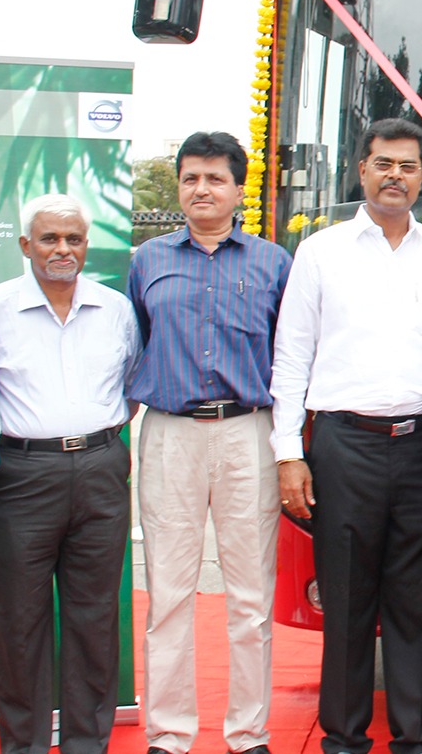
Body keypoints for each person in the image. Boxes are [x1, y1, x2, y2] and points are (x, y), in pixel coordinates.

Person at [272, 120, 422, 754]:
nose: (395, 176)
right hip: (342, 447)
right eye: (383, 163)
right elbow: (291, 359)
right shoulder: (320, 253)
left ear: (421, 175)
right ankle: (344, 741)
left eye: (408, 166)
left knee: (417, 609)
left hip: (421, 448)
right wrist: (288, 454)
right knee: (348, 609)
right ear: (361, 170)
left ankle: (415, 740)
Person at [129, 131, 292, 754]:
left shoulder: (273, 263)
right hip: (169, 433)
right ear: (179, 186)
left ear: (239, 189)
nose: (202, 189)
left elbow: (289, 355)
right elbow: (135, 343)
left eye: (215, 178)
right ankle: (168, 735)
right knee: (168, 591)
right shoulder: (148, 260)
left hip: (247, 432)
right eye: (191, 177)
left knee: (250, 593)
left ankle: (248, 732)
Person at [0, 194, 141, 754]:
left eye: (73, 239)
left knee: (94, 619)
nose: (62, 250)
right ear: (26, 246)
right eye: (49, 239)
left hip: (101, 469)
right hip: (19, 473)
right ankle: (23, 745)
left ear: (86, 246)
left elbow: (131, 387)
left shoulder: (115, 308)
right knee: (19, 622)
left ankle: (84, 744)